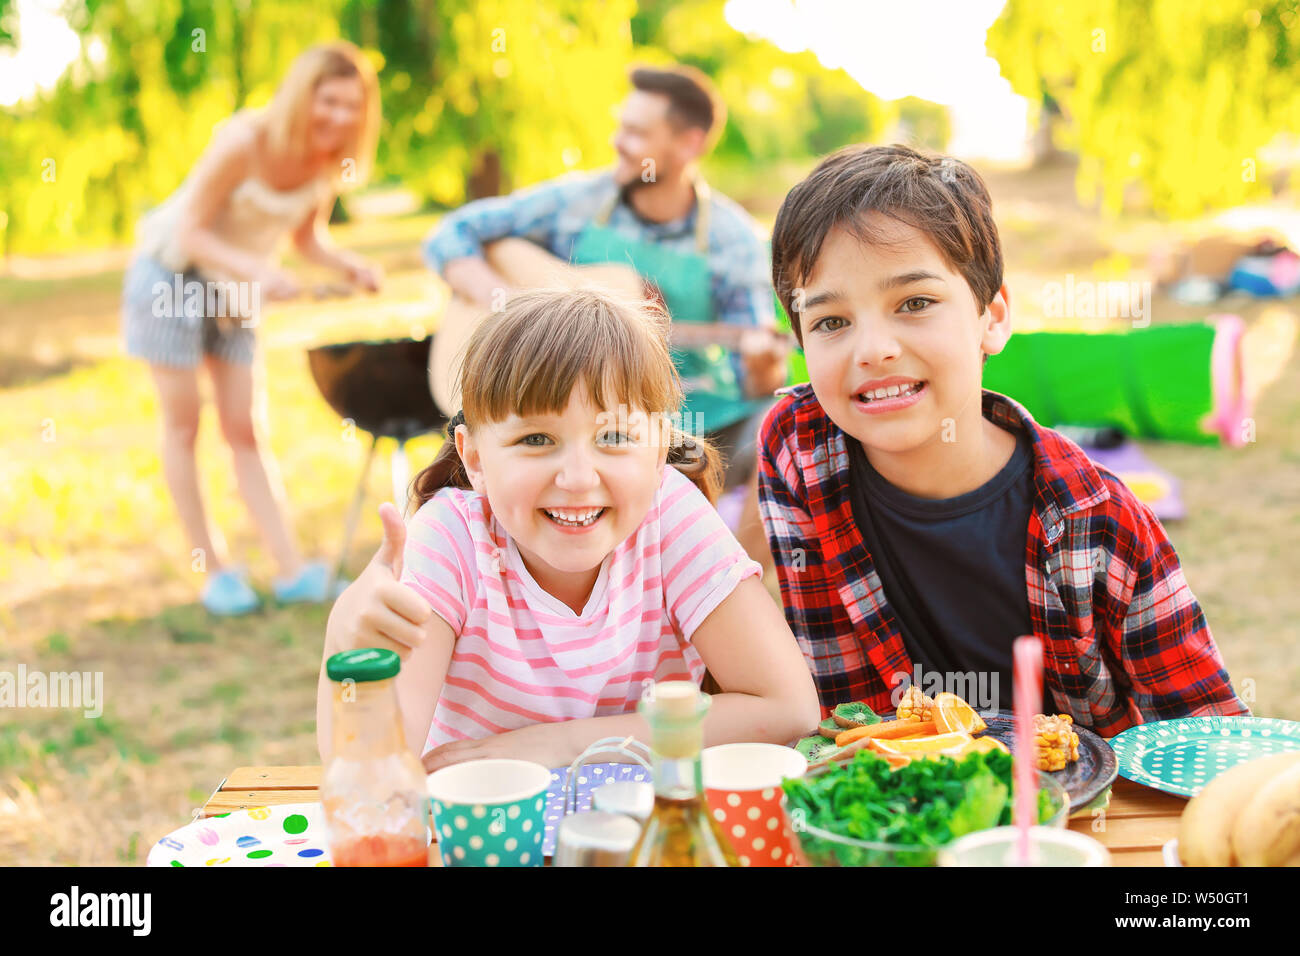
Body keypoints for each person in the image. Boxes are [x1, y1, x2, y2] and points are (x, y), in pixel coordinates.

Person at [759, 144, 1249, 733]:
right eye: (831, 321)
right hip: (889, 809)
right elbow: (844, 713)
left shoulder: (1101, 521)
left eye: (915, 303)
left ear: (992, 318)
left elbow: (1213, 737)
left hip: (1067, 817)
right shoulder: (798, 446)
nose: (873, 350)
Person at [318, 288, 819, 770]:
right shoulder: (450, 540)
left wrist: (561, 744)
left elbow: (788, 707)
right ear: (476, 459)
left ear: (658, 447)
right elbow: (370, 763)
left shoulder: (669, 515)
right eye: (536, 438)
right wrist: (345, 640)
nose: (578, 478)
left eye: (614, 436)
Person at [421, 64, 788, 566]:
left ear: (689, 144)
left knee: (782, 428)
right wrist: (504, 305)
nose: (618, 142)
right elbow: (452, 233)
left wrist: (764, 363)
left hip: (695, 412)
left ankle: (722, 579)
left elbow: (756, 383)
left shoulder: (733, 241)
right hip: (572, 406)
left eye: (637, 133)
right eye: (621, 127)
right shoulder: (578, 200)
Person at [121, 42, 383, 615]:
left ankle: (290, 570)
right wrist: (257, 271)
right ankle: (212, 572)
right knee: (184, 426)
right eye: (329, 101)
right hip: (172, 277)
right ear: (302, 95)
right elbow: (191, 231)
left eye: (352, 106)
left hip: (237, 289)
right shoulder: (245, 141)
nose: (340, 117)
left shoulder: (325, 162)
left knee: (245, 429)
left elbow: (306, 237)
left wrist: (350, 267)